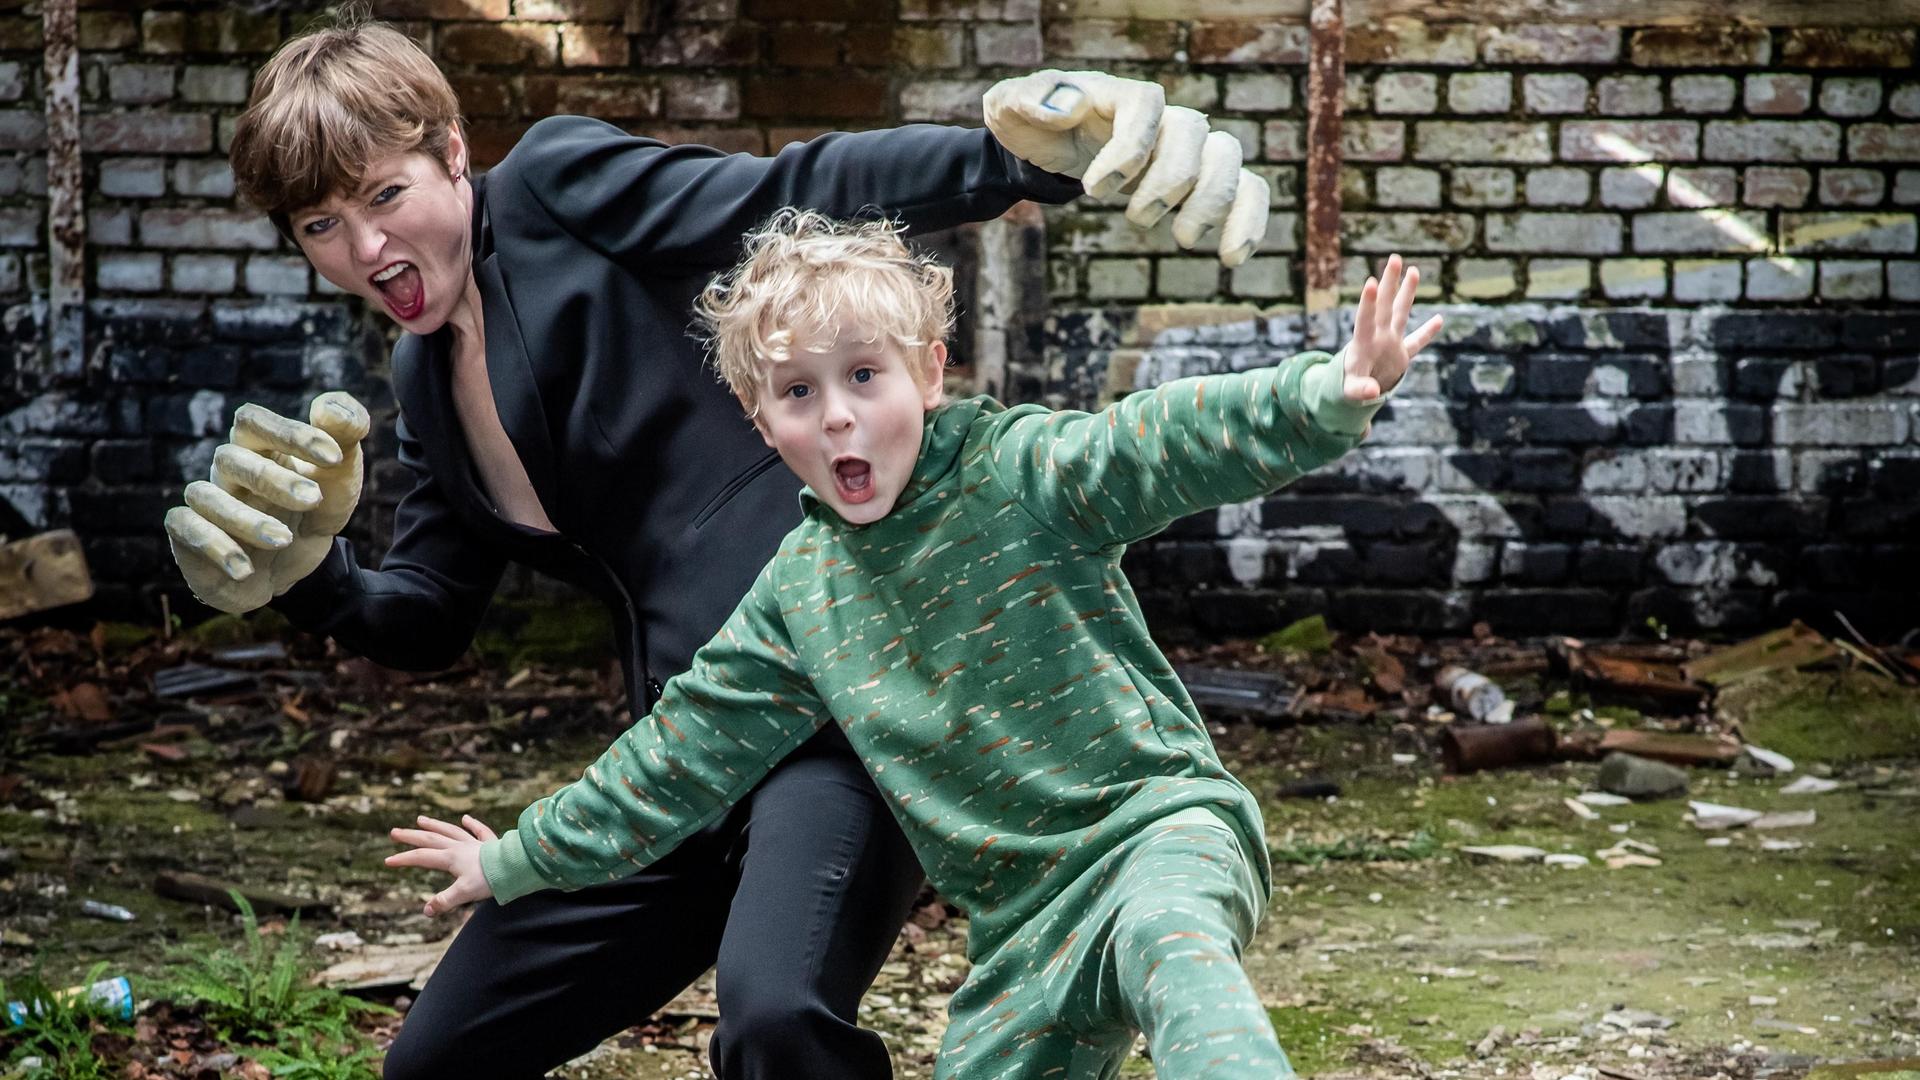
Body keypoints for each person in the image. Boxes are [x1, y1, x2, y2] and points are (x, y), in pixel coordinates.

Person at [158, 15, 1274, 1080]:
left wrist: (1019, 161)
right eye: (321, 228)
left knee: (777, 1018)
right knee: (436, 1056)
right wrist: (305, 574)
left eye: (386, 196)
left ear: (453, 153)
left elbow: (788, 192)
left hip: (830, 704)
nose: (367, 247)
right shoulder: (421, 383)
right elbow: (426, 615)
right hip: (685, 751)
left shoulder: (552, 192)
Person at [387, 208, 1444, 1078]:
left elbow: (1159, 439)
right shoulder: (798, 599)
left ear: (928, 375)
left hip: (1153, 836)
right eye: (800, 394)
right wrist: (516, 857)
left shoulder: (1023, 475)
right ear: (763, 425)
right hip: (1023, 926)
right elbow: (672, 761)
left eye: (864, 378)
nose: (839, 418)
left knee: (1175, 957)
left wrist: (1324, 393)